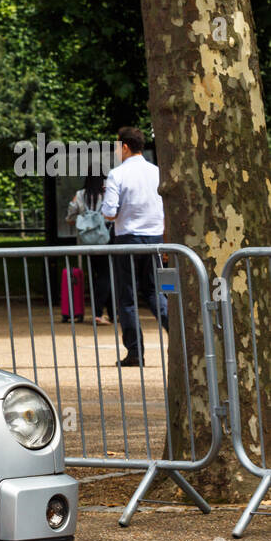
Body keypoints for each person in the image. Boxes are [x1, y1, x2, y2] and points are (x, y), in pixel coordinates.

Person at [101, 126, 167, 367]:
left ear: (125, 146)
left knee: (127, 299)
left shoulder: (117, 175)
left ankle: (135, 353)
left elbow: (109, 213)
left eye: (117, 146)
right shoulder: (157, 172)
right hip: (155, 240)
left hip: (128, 240)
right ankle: (178, 336)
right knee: (154, 292)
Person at [65, 171, 114, 324]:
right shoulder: (106, 195)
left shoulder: (80, 195)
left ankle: (111, 312)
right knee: (107, 275)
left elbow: (70, 218)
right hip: (105, 240)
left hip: (87, 241)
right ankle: (99, 312)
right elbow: (112, 214)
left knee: (98, 275)